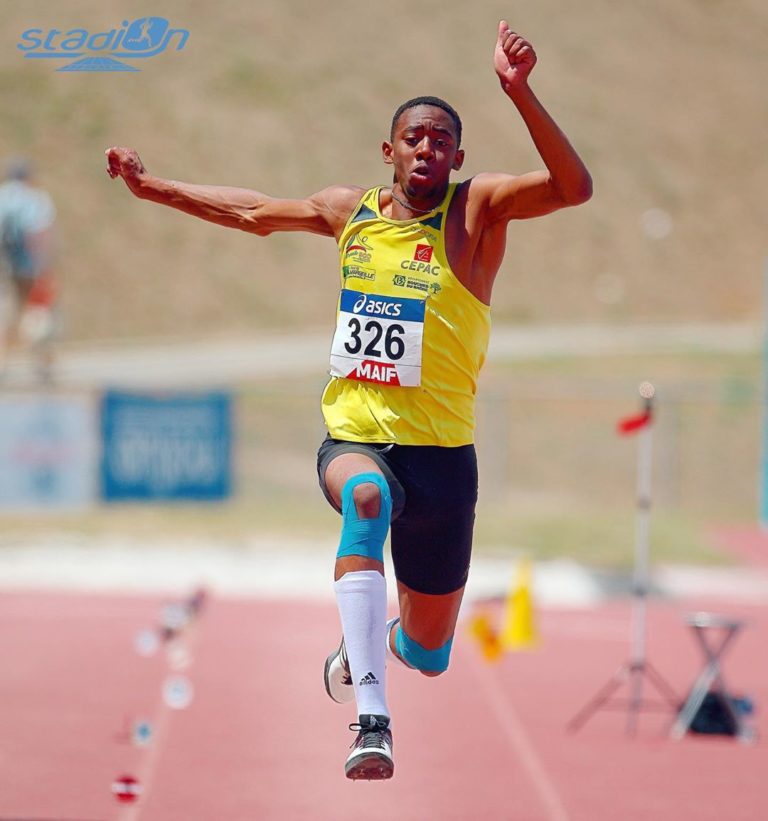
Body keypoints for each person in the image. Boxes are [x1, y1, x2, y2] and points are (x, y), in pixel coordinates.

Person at [106, 21, 592, 781]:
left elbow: (573, 189)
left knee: (428, 651)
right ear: (388, 150)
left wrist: (519, 92)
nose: (427, 149)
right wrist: (152, 185)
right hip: (357, 436)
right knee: (365, 499)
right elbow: (252, 211)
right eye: (414, 137)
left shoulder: (475, 213)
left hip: (443, 460)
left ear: (458, 157)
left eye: (441, 140)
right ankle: (373, 718)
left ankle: (358, 646)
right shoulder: (350, 213)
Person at [0, 157, 58, 382]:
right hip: (31, 266)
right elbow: (39, 234)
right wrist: (43, 266)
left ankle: (2, 364)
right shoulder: (36, 199)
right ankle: (42, 364)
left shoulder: (2, 197)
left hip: (5, 266)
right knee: (38, 313)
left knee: (5, 315)